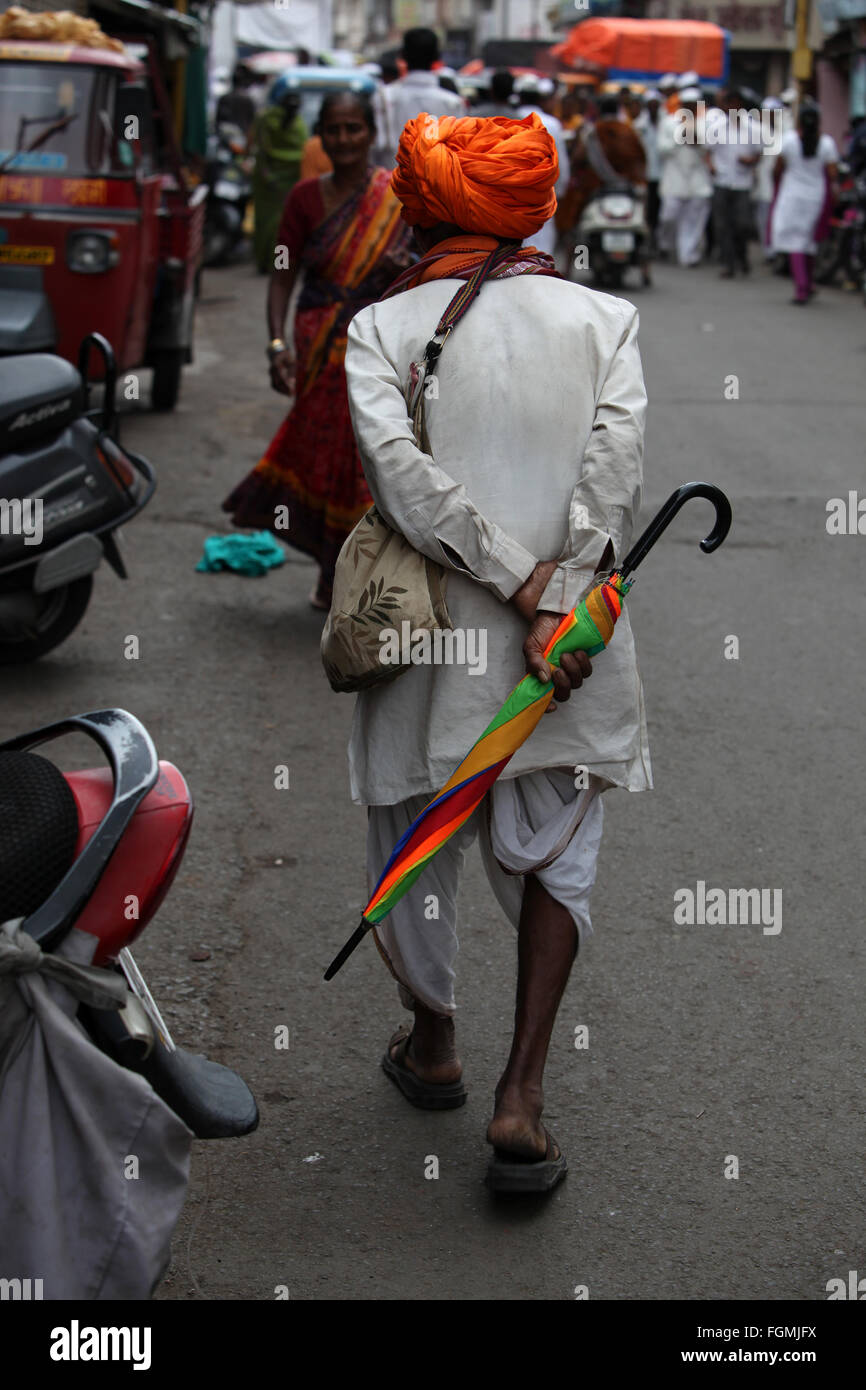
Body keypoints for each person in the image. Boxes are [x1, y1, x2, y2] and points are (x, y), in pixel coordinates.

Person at [343, 111, 650, 1190]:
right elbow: (612, 477)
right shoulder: (602, 318)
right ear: (531, 206)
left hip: (430, 643)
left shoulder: (380, 329)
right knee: (558, 853)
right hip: (565, 646)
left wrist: (515, 579)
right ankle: (520, 1097)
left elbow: (399, 481)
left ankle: (433, 1048)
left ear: (423, 205)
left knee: (416, 841)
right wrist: (558, 595)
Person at [223, 93, 413, 608]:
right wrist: (276, 342)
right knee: (325, 452)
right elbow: (282, 275)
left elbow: (429, 264)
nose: (344, 139)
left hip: (379, 340)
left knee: (368, 455)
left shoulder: (398, 195)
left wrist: (404, 269)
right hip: (319, 338)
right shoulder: (304, 199)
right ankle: (334, 571)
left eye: (354, 128)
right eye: (334, 129)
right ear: (320, 136)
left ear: (371, 133)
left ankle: (350, 576)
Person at [770, 100, 838, 304]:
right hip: (814, 198)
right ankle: (807, 284)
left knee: (796, 242)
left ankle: (801, 287)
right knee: (808, 241)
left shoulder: (789, 140)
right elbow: (833, 174)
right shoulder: (827, 143)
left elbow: (777, 168)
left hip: (792, 195)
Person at [375, 26, 464, 166]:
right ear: (437, 57)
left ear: (402, 55)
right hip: (436, 185)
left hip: (392, 182)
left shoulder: (384, 97)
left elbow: (377, 147)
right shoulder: (453, 103)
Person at [561, 93, 647, 233]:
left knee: (576, 218)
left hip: (597, 188)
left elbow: (578, 158)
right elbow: (640, 160)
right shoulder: (629, 131)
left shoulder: (592, 132)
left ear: (599, 110)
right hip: (627, 188)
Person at [250, 85, 308, 275]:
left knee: (264, 224)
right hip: (288, 182)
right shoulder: (299, 126)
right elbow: (303, 152)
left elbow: (257, 146)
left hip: (267, 183)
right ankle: (280, 266)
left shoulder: (266, 120)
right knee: (282, 228)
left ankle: (265, 262)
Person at [706, 87, 763, 278]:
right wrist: (711, 166)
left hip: (742, 183)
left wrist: (751, 161)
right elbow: (708, 152)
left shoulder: (753, 128)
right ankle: (728, 263)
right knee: (722, 225)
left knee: (742, 224)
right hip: (722, 181)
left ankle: (741, 256)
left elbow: (759, 153)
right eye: (730, 105)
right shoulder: (717, 127)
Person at [513, 76, 570, 257]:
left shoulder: (509, 118)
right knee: (542, 252)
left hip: (511, 197)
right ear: (539, 98)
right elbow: (561, 164)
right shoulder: (552, 124)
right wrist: (559, 193)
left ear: (519, 97)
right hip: (544, 196)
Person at [657, 87, 713, 266]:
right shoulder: (668, 122)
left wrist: (695, 137)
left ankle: (688, 255)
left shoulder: (706, 123)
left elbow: (708, 147)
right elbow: (662, 149)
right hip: (674, 178)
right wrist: (680, 136)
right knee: (669, 216)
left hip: (698, 179)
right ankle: (665, 244)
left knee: (694, 220)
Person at [633, 89, 663, 249]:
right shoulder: (639, 125)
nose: (653, 108)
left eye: (655, 105)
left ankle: (658, 240)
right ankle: (645, 241)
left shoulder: (667, 123)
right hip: (644, 174)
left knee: (659, 210)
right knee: (645, 209)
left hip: (662, 175)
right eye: (650, 105)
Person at [216, 65, 256, 137]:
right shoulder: (248, 99)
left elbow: (218, 121)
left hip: (228, 138)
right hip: (242, 136)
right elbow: (252, 122)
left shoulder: (224, 98)